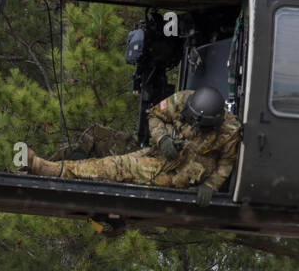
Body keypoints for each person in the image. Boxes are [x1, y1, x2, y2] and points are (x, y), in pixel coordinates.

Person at [25, 87, 241, 207]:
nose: (193, 127)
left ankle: (51, 170)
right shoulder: (184, 99)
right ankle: (52, 167)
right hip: (159, 155)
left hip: (180, 176)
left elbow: (227, 162)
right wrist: (163, 139)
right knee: (111, 162)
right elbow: (155, 115)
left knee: (117, 168)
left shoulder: (229, 131)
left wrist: (211, 187)